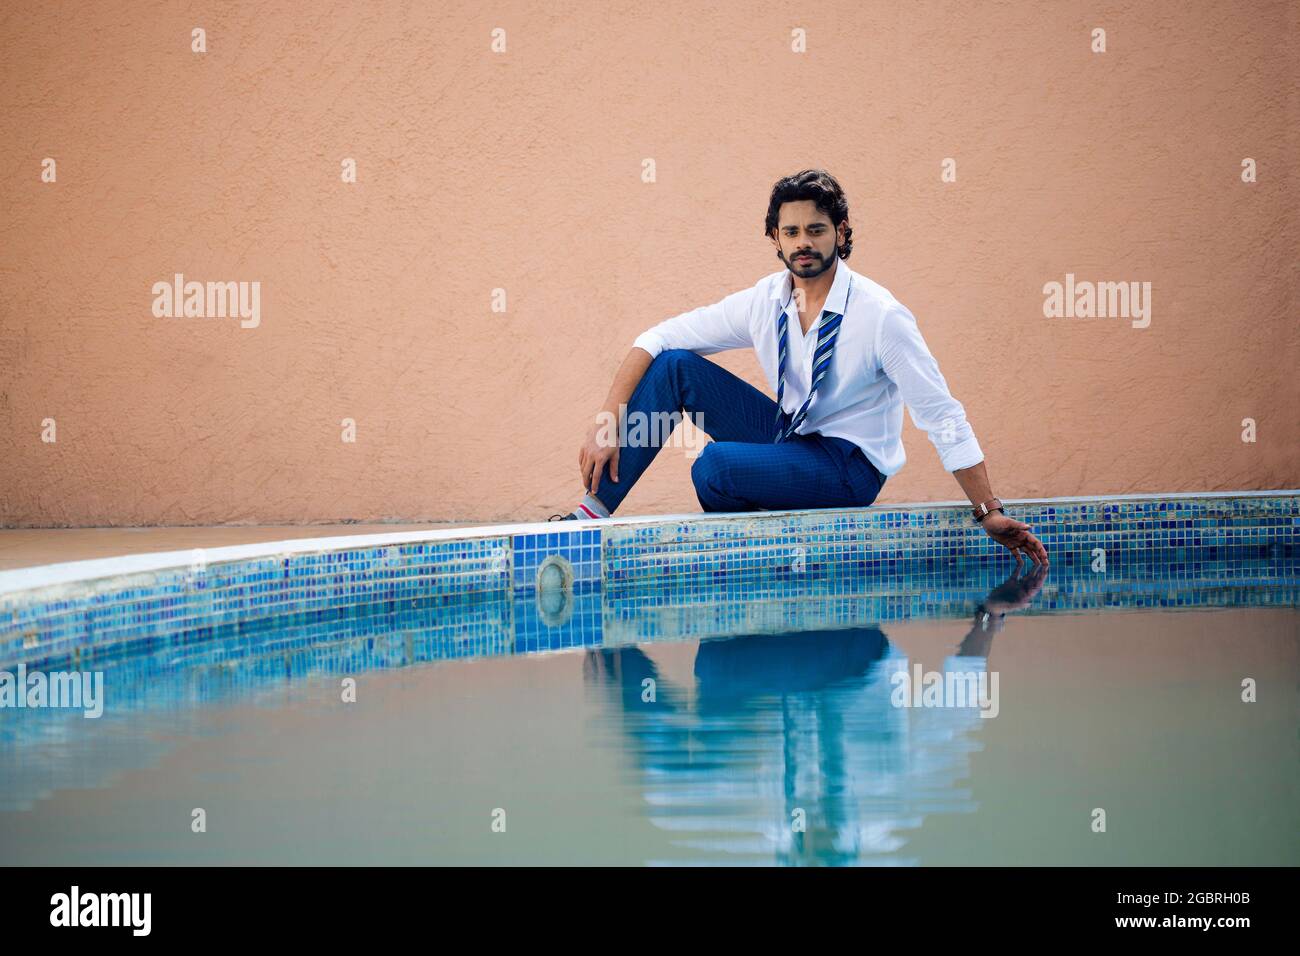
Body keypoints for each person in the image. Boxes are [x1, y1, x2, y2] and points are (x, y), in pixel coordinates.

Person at [549, 168, 1047, 566]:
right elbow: (654, 338)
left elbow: (942, 415)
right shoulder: (765, 301)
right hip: (792, 440)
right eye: (791, 231)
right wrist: (608, 421)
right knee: (677, 366)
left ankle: (763, 543)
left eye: (816, 229)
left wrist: (988, 510)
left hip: (848, 467)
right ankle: (590, 516)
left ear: (841, 232)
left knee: (713, 467)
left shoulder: (880, 317)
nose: (803, 242)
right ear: (774, 238)